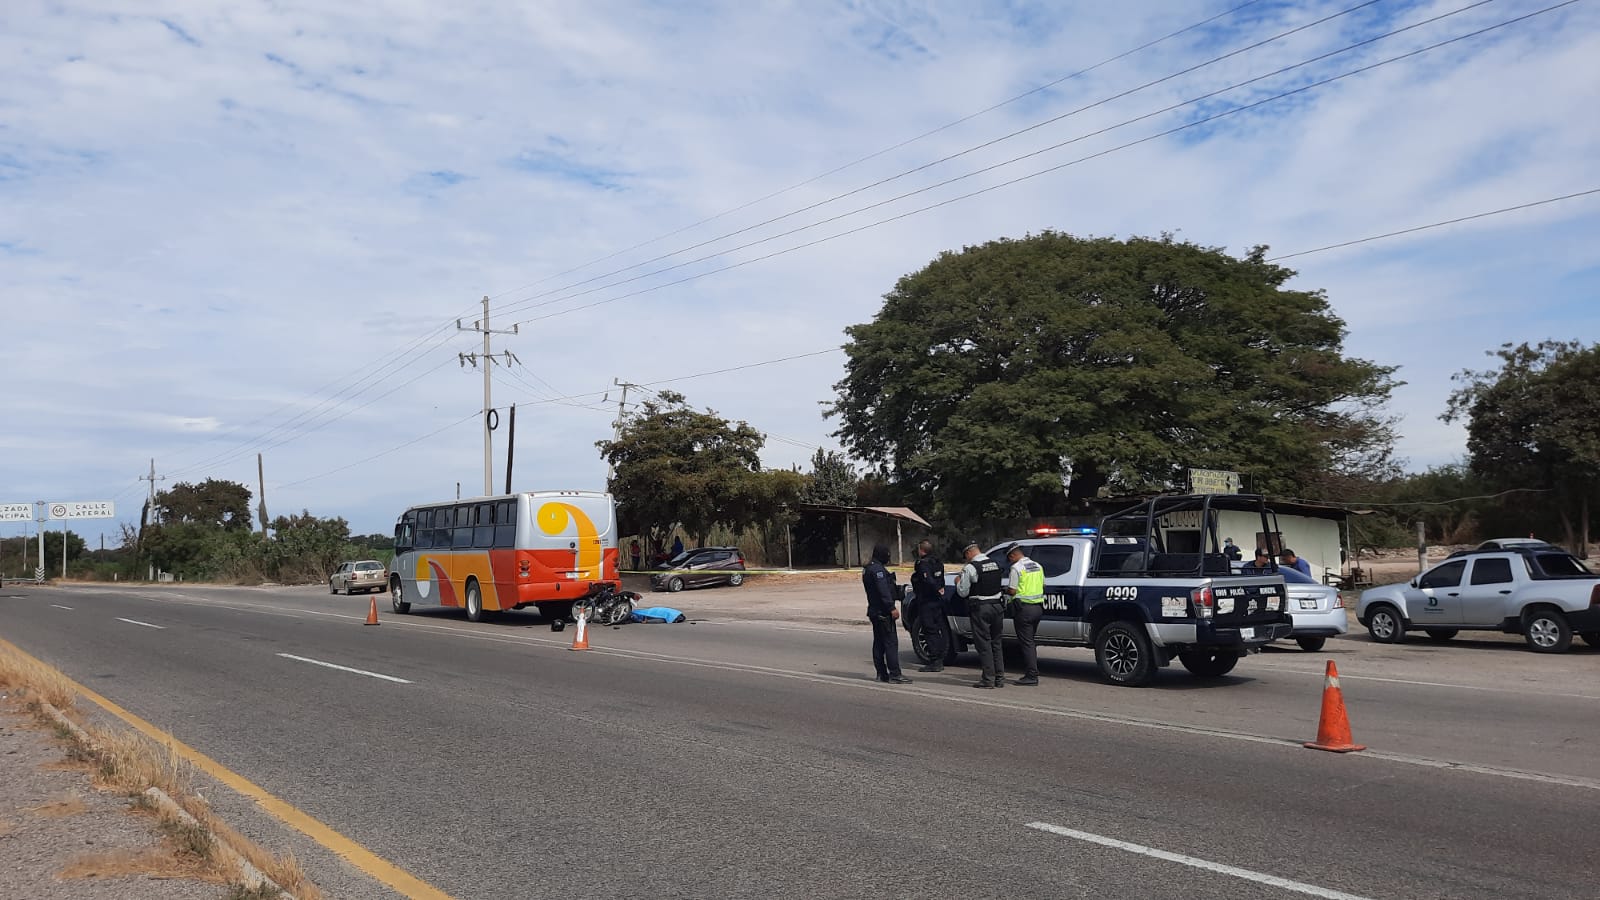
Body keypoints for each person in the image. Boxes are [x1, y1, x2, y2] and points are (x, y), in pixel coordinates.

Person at [955, 541, 1006, 689]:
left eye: (966, 556)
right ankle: (1000, 678)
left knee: (984, 644)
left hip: (981, 608)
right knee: (996, 643)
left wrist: (958, 581)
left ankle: (988, 679)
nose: (967, 559)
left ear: (969, 553)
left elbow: (963, 592)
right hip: (997, 606)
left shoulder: (971, 568)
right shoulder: (995, 563)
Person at [862, 544, 911, 684]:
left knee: (879, 642)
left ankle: (881, 673)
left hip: (874, 610)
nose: (888, 557)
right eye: (887, 555)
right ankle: (895, 674)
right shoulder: (878, 570)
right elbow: (882, 591)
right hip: (883, 611)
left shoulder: (868, 568)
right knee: (890, 643)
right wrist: (891, 608)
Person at [1001, 543, 1046, 686]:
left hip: (1024, 610)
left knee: (1027, 644)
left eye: (1010, 558)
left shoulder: (1016, 568)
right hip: (1038, 608)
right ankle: (1031, 672)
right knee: (1030, 642)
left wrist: (1005, 590)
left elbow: (1013, 590)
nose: (1010, 562)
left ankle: (1032, 675)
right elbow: (1043, 585)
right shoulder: (1038, 566)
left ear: (1013, 555)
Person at [910, 539, 948, 673]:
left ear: (922, 550)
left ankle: (935, 661)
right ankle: (940, 657)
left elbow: (928, 580)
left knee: (929, 630)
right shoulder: (937, 561)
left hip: (927, 600)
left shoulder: (922, 564)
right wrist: (940, 588)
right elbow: (941, 577)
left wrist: (936, 588)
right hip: (937, 600)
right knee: (938, 628)